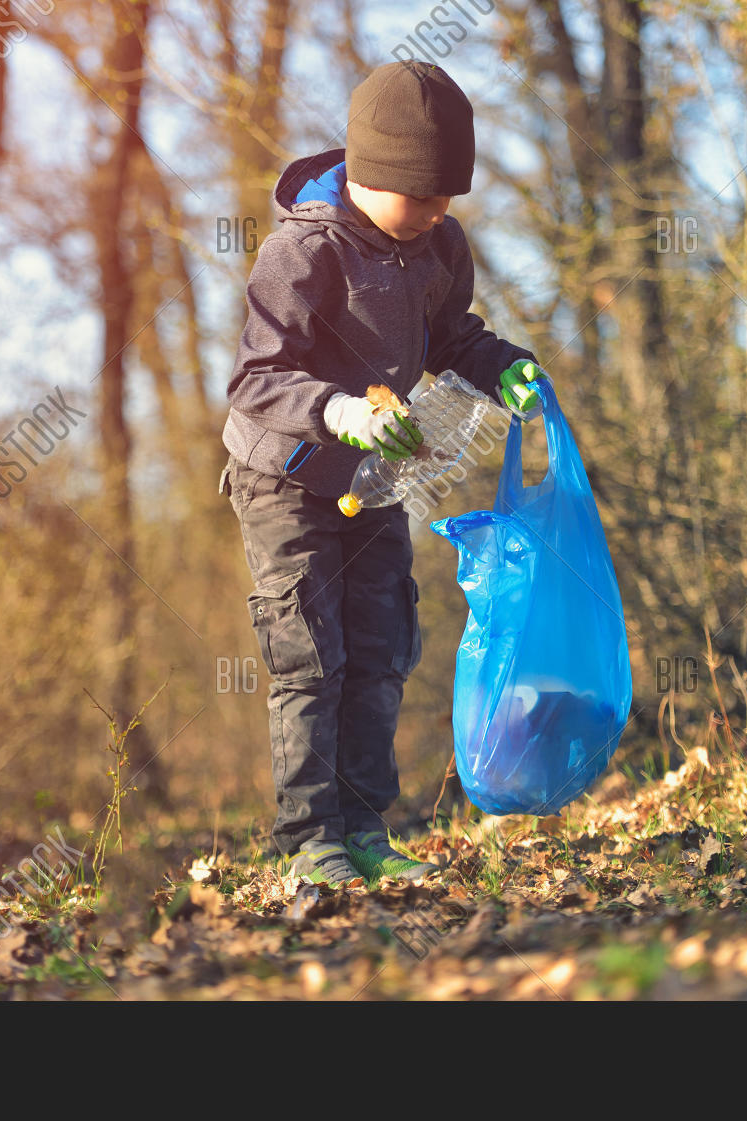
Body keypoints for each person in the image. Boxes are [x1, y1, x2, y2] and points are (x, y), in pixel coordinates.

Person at [218, 59, 546, 884]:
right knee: (309, 654)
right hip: (284, 477)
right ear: (371, 175)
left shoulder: (436, 246)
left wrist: (501, 364)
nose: (438, 212)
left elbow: (450, 338)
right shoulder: (304, 250)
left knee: (381, 647)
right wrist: (343, 410)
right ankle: (308, 843)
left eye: (447, 197)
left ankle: (366, 829)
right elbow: (255, 379)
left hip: (372, 485)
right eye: (422, 195)